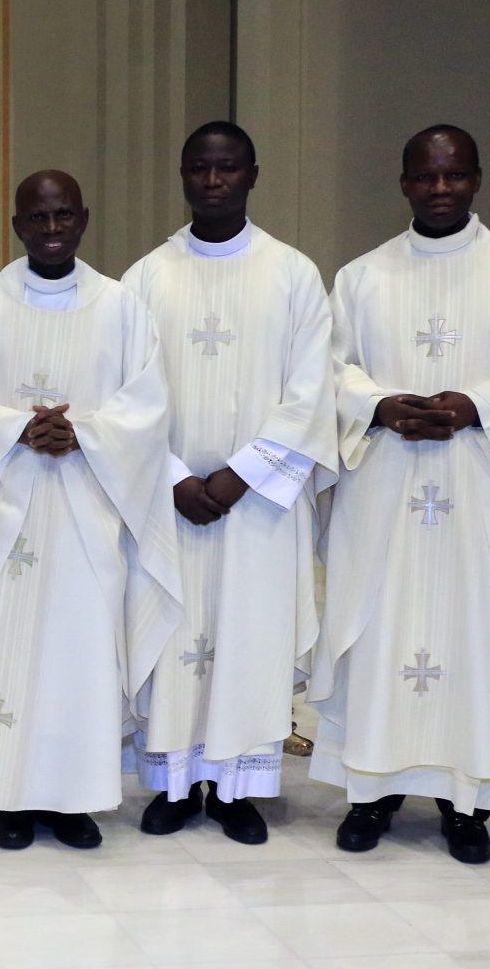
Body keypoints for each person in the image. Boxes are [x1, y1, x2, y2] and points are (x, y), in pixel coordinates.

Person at [312, 125, 490, 864]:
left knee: (473, 637)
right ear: (402, 183)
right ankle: (372, 793)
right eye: (426, 177)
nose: (440, 189)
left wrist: (476, 405)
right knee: (381, 629)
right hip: (386, 488)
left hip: (482, 492)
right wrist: (381, 405)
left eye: (454, 176)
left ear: (476, 180)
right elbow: (329, 371)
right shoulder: (362, 278)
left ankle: (470, 805)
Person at [0, 169, 182, 851]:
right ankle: (8, 798)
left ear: (84, 219)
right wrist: (17, 429)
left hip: (87, 511)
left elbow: (148, 406)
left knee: (79, 654)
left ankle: (76, 800)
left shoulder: (121, 308)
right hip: (3, 509)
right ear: (16, 226)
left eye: (64, 215)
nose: (52, 228)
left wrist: (83, 434)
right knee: (9, 651)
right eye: (38, 218)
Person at [119, 122, 336, 845]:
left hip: (257, 505)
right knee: (176, 632)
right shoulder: (147, 278)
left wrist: (242, 475)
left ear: (252, 174)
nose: (213, 181)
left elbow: (311, 393)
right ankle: (177, 784)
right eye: (200, 169)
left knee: (249, 635)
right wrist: (177, 477)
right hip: (171, 499)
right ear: (181, 176)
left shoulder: (293, 274)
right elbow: (126, 393)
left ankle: (240, 787)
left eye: (228, 168)